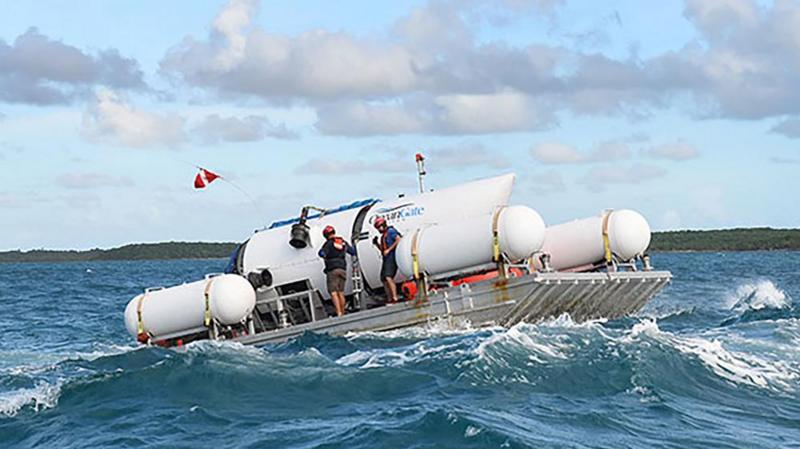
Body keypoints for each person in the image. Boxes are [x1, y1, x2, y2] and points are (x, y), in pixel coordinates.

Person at [317, 225, 356, 317]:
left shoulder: (328, 244)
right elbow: (352, 251)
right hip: (342, 268)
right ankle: (343, 311)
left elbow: (322, 253)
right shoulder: (342, 242)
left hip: (332, 270)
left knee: (333, 292)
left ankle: (339, 313)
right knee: (341, 292)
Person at [373, 217, 401, 303]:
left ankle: (394, 297)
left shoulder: (390, 231)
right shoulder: (383, 236)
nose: (378, 230)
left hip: (391, 257)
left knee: (388, 277)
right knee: (384, 279)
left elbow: (398, 239)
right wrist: (376, 244)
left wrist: (389, 250)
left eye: (379, 227)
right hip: (386, 258)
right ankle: (389, 298)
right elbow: (383, 250)